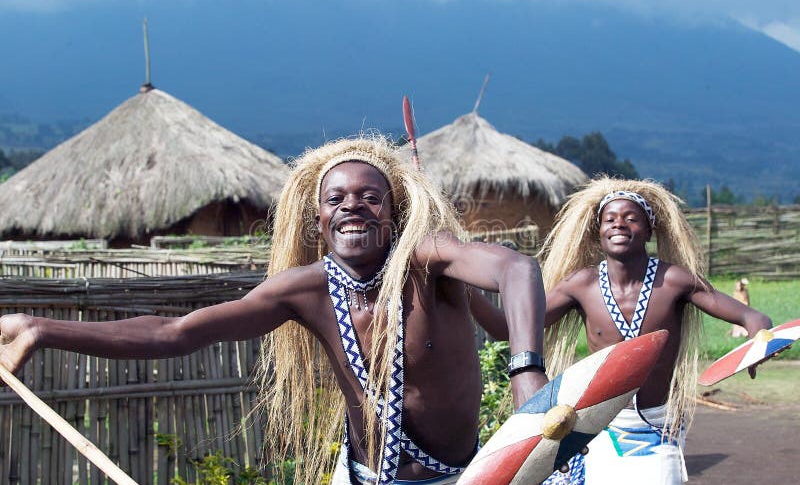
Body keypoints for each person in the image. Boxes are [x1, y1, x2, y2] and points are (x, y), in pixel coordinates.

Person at [0, 136, 548, 485]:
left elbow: (515, 270)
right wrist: (40, 327)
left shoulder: (429, 262)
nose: (352, 205)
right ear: (318, 222)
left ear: (393, 214)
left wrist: (526, 373)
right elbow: (175, 332)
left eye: (370, 197)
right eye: (335, 199)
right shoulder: (303, 291)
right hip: (362, 477)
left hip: (465, 477)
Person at [538, 177, 773, 484]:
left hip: (658, 427)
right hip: (603, 428)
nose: (619, 224)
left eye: (631, 218)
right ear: (598, 232)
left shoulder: (675, 280)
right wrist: (470, 294)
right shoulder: (581, 285)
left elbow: (752, 316)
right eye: (609, 219)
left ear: (649, 230)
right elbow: (511, 327)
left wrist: (758, 347)